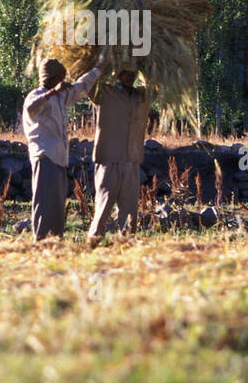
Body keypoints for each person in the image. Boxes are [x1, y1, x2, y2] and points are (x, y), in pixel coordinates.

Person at [22, 51, 110, 240]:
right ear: (52, 79)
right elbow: (31, 109)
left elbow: (82, 86)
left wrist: (99, 68)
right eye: (59, 78)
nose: (62, 81)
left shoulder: (60, 98)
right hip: (44, 156)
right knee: (44, 202)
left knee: (56, 204)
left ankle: (55, 240)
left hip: (59, 158)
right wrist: (53, 91)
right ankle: (41, 241)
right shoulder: (36, 96)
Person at [87, 64, 151, 248]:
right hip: (109, 158)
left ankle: (126, 243)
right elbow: (86, 82)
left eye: (133, 73)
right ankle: (94, 242)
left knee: (130, 207)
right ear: (118, 74)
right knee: (104, 204)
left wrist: (149, 66)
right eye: (125, 73)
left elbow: (160, 83)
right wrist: (102, 64)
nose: (129, 77)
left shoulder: (142, 96)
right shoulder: (104, 93)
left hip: (132, 158)